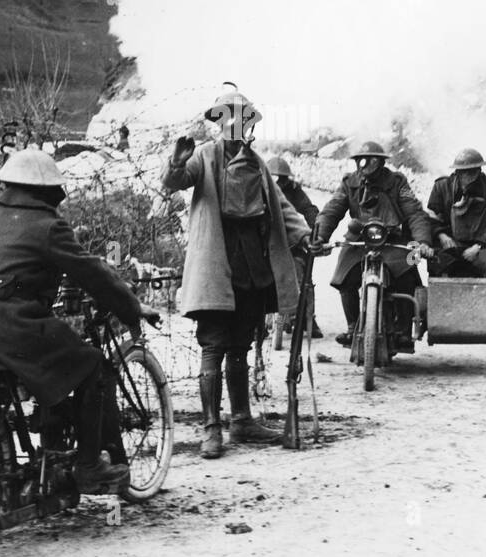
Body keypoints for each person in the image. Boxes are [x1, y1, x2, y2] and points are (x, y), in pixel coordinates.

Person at [0, 148, 160, 494]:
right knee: (92, 366)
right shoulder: (46, 226)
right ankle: (88, 467)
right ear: (46, 191)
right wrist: (131, 307)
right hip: (8, 325)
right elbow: (92, 273)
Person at [163, 88, 312, 459]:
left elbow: (280, 207)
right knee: (214, 346)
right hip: (216, 267)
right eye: (230, 118)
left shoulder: (258, 164)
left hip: (249, 269)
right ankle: (212, 428)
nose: (238, 125)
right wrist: (176, 163)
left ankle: (242, 420)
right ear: (219, 123)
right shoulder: (204, 157)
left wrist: (306, 237)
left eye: (244, 119)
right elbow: (175, 182)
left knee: (240, 346)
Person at [313, 141, 433, 353]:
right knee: (344, 277)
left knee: (409, 272)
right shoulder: (349, 182)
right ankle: (352, 326)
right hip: (360, 238)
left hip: (394, 239)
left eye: (369, 160)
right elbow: (332, 209)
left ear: (380, 162)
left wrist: (422, 242)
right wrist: (320, 236)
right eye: (360, 160)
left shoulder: (397, 182)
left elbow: (414, 212)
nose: (363, 164)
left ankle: (404, 330)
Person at [425, 148, 486, 278]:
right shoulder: (442, 187)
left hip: (485, 245)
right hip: (451, 244)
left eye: (473, 172)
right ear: (457, 172)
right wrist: (442, 235)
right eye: (464, 173)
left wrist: (479, 246)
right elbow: (431, 219)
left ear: (480, 171)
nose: (468, 177)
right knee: (436, 260)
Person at [266, 156, 323, 342]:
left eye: (282, 179)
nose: (279, 183)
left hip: (290, 240)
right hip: (265, 241)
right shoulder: (258, 188)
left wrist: (315, 226)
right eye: (275, 178)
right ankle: (257, 322)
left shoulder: (294, 190)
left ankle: (309, 318)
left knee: (303, 272)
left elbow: (308, 208)